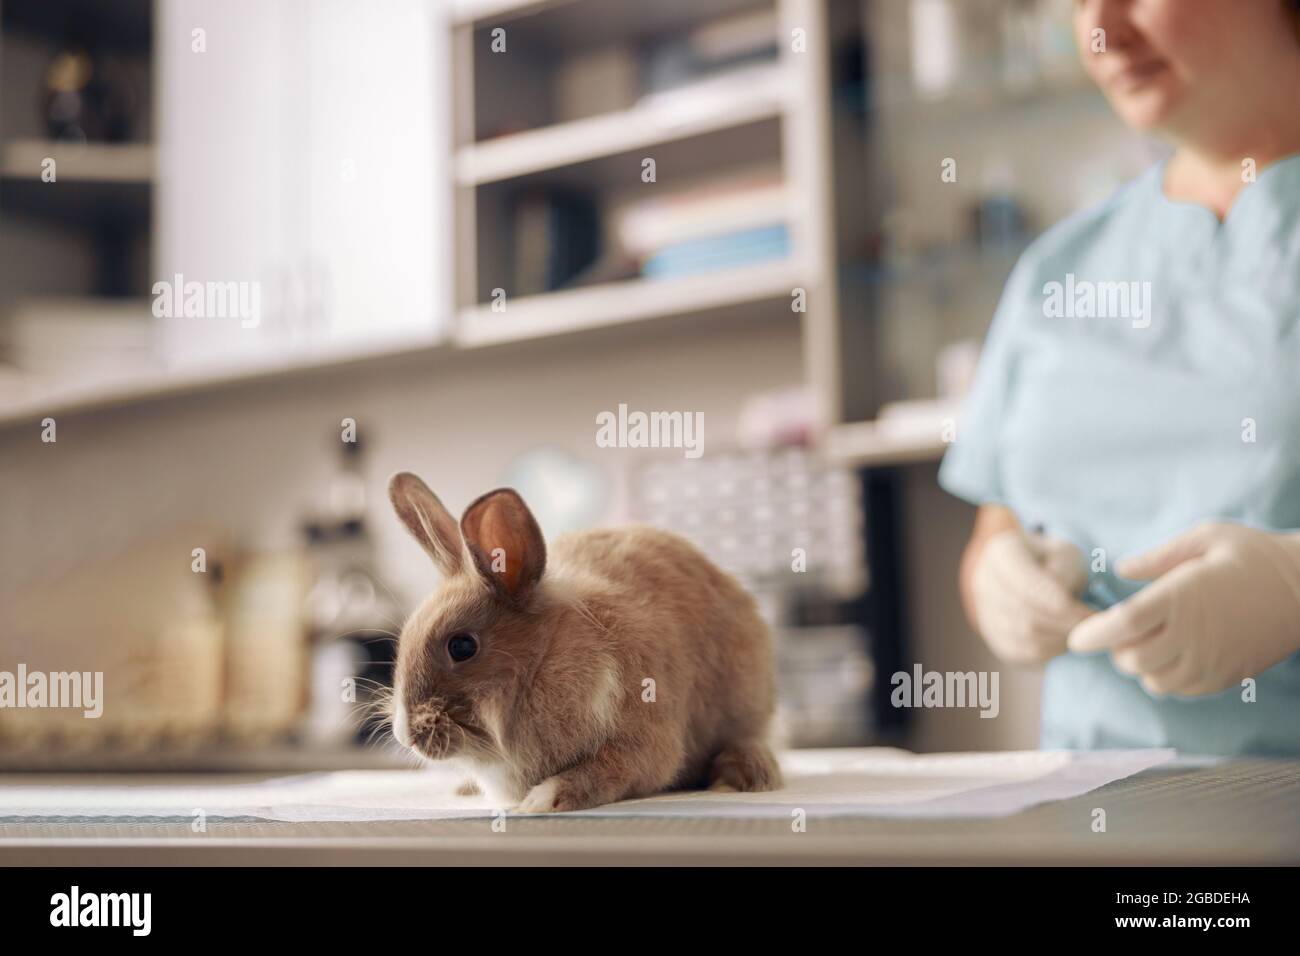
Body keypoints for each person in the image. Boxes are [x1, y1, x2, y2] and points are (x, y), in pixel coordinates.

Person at [939, 0, 1300, 755]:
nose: (1102, 28)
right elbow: (999, 524)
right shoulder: (1060, 268)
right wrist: (999, 583)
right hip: (1089, 814)